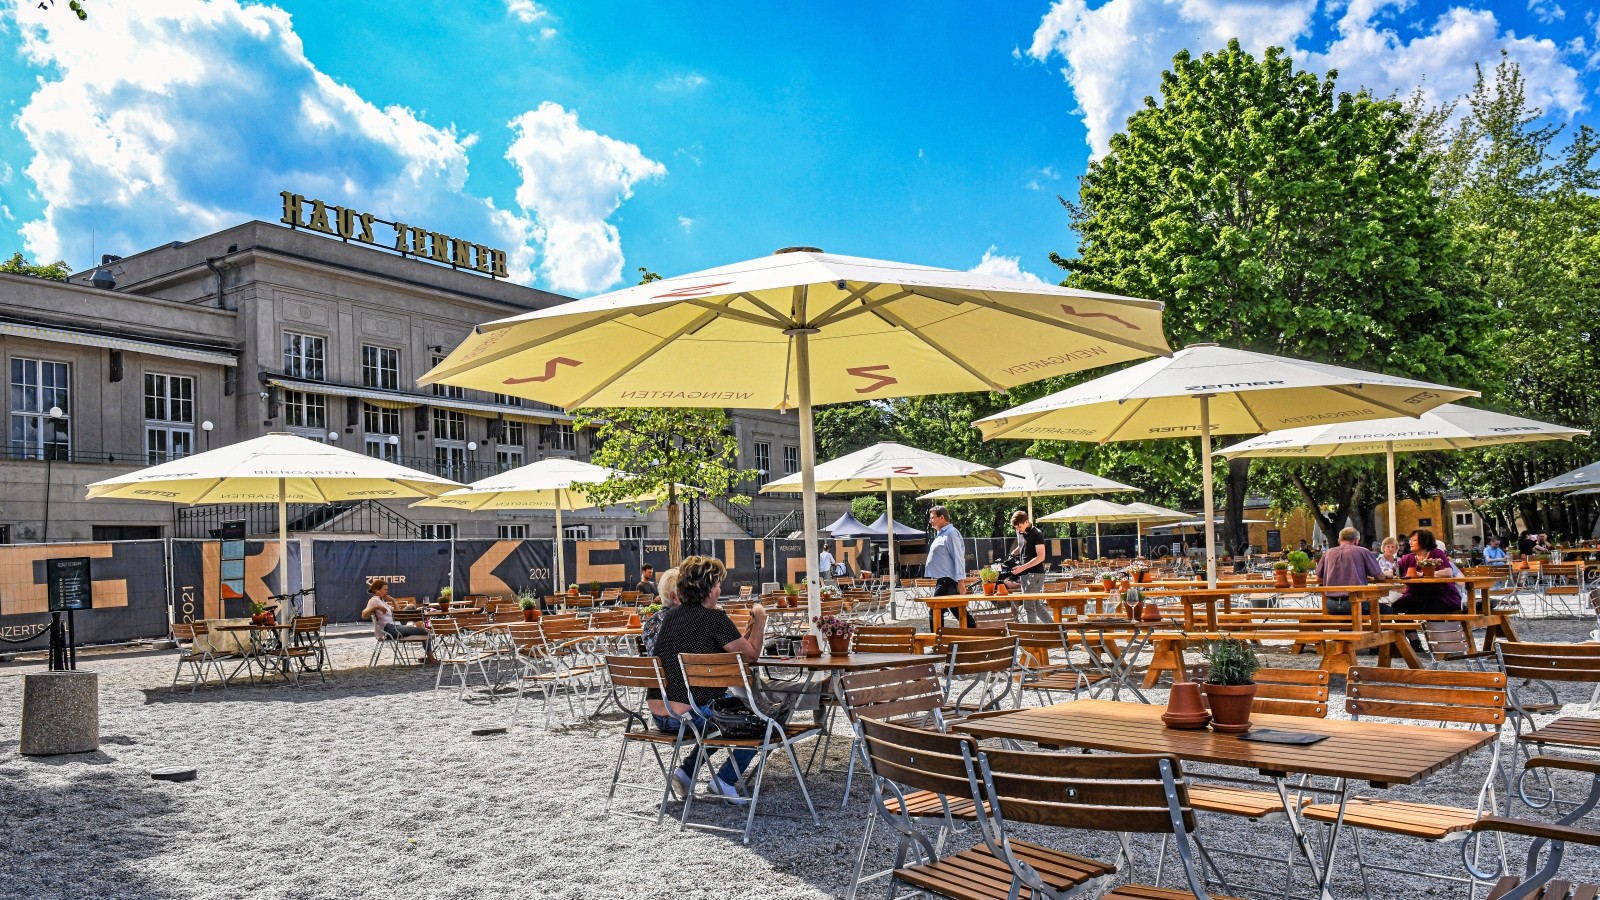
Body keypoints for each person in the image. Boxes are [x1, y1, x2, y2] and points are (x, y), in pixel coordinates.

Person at [649, 556, 769, 803]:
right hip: (688, 716)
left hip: (660, 714)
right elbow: (752, 655)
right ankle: (725, 779)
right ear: (709, 588)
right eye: (717, 585)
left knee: (721, 715)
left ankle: (686, 771)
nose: (720, 590)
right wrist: (760, 617)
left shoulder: (671, 617)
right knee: (759, 722)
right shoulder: (714, 618)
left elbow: (733, 649)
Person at [1315, 527, 1388, 618]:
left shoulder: (1327, 553)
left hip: (1331, 605)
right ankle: (1376, 632)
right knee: (1386, 610)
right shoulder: (1363, 551)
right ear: (1357, 541)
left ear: (1339, 540)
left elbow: (1318, 578)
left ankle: (1353, 631)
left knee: (1349, 616)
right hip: (1354, 603)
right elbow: (1380, 577)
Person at [361, 579, 437, 665]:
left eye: (387, 589)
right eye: (385, 589)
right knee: (424, 631)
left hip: (395, 623)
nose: (387, 591)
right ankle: (431, 658)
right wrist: (376, 607)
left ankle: (420, 627)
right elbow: (363, 615)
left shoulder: (382, 601)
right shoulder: (374, 601)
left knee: (411, 606)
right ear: (376, 590)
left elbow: (399, 613)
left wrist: (393, 600)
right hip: (390, 629)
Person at [1394, 529, 1460, 614]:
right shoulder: (1407, 558)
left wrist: (1423, 574)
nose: (1410, 543)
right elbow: (1394, 571)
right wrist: (1384, 574)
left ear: (1424, 542)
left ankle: (1434, 627)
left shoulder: (1436, 553)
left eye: (1414, 540)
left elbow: (1448, 572)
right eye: (1410, 540)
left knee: (1431, 607)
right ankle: (1409, 628)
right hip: (1415, 596)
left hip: (1441, 596)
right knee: (1397, 607)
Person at [925, 505, 968, 629]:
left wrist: (961, 582)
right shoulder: (942, 534)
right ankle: (974, 631)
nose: (930, 521)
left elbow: (958, 557)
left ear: (942, 517)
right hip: (944, 579)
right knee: (957, 609)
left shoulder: (951, 533)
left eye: (933, 518)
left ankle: (937, 642)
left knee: (935, 611)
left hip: (947, 580)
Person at [1005, 510, 1051, 623]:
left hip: (1036, 574)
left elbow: (1041, 557)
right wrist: (1013, 554)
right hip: (1024, 574)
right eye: (1016, 528)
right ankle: (1056, 629)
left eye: (1019, 527)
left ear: (1026, 522)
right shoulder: (1020, 532)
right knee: (1036, 605)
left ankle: (1031, 634)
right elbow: (1022, 546)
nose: (1018, 530)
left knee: (1028, 605)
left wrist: (1022, 567)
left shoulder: (1037, 534)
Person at [640, 569, 680, 656]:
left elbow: (653, 656)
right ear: (674, 596)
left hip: (657, 668)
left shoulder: (652, 621)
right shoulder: (684, 618)